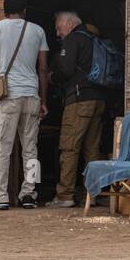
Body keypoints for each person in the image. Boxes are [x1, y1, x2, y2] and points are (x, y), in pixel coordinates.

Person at [0, 0, 49, 210]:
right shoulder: (38, 30)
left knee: (1, 148)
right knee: (31, 149)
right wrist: (43, 101)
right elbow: (43, 68)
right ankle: (29, 194)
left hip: (8, 96)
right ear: (25, 11)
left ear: (4, 11)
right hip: (32, 96)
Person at [50, 11, 107, 207]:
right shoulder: (93, 38)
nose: (58, 33)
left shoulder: (73, 40)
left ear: (69, 23)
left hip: (79, 99)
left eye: (59, 28)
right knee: (92, 149)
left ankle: (65, 195)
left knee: (69, 147)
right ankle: (93, 194)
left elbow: (65, 70)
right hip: (98, 99)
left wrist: (52, 77)